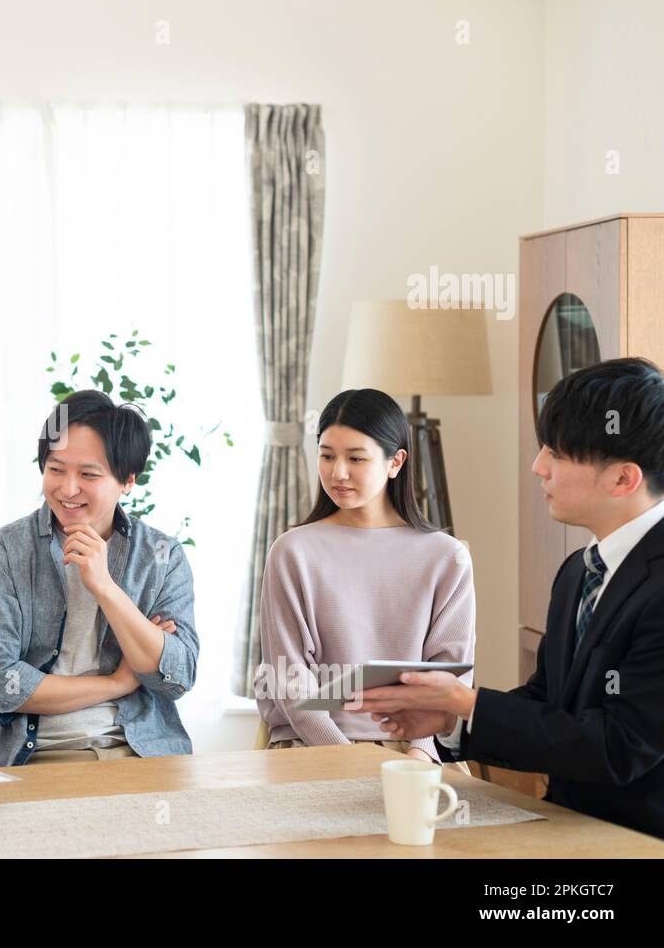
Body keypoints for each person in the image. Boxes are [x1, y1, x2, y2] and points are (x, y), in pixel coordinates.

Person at [356, 358, 664, 838]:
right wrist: (453, 719)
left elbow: (617, 746)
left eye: (557, 454)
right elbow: (550, 702)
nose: (538, 466)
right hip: (564, 824)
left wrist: (468, 702)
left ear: (623, 479)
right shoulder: (577, 571)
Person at [0, 390, 198, 766]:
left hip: (138, 753)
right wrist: (117, 683)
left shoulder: (161, 556)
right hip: (33, 757)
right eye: (56, 469)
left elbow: (176, 677)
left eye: (88, 474)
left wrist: (105, 587)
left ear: (127, 481)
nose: (67, 489)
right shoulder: (5, 552)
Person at [255, 388, 475, 770]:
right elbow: (290, 678)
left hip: (411, 752)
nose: (338, 473)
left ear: (395, 462)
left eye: (356, 458)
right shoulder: (293, 551)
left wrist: (420, 751)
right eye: (326, 456)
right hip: (311, 746)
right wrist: (348, 759)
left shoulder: (446, 556)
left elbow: (450, 673)